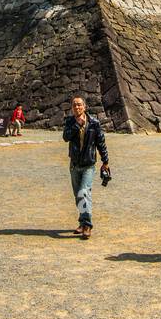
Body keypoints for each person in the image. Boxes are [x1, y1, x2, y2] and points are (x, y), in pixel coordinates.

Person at [62, 96, 110, 238]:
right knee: (78, 195)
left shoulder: (94, 122)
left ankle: (87, 225)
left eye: (79, 105)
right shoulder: (70, 121)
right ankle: (82, 222)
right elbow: (66, 137)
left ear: (85, 106)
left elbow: (100, 142)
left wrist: (105, 161)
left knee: (84, 192)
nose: (77, 107)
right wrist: (77, 125)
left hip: (89, 164)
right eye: (74, 105)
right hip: (75, 164)